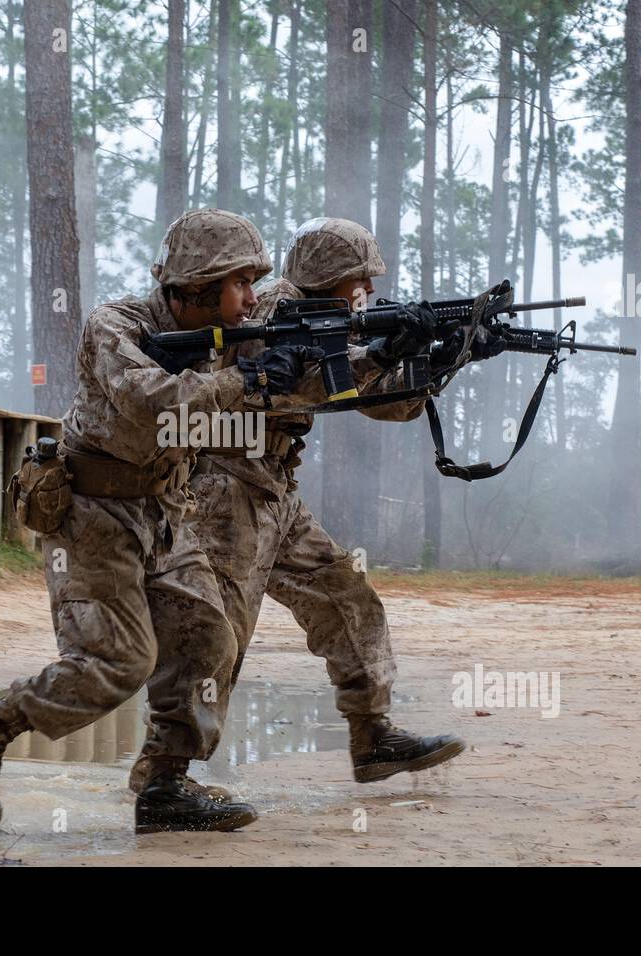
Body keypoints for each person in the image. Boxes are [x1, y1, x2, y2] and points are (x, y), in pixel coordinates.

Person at [0, 209, 318, 834]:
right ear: (200, 284)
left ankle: (165, 785)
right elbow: (148, 399)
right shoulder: (117, 325)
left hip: (165, 512)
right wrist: (239, 380)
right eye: (242, 282)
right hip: (93, 514)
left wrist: (387, 353)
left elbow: (310, 376)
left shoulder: (237, 331)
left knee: (207, 638)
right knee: (116, 661)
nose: (252, 297)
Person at [129, 217, 465, 798]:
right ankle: (164, 776)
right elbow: (300, 385)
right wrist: (377, 352)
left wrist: (440, 360)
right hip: (225, 489)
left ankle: (373, 734)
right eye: (360, 280)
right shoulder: (266, 315)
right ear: (333, 277)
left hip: (277, 488)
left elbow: (382, 405)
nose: (368, 292)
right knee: (214, 633)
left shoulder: (335, 322)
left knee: (344, 595)